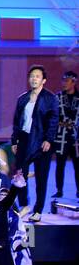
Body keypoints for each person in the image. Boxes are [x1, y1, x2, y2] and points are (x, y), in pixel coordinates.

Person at [11, 65, 59, 220]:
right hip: (24, 139)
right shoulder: (22, 98)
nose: (34, 79)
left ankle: (38, 210)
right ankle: (24, 205)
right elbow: (17, 122)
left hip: (41, 141)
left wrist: (48, 139)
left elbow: (53, 121)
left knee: (41, 177)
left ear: (43, 80)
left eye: (37, 76)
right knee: (20, 175)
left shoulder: (50, 98)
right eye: (32, 76)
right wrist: (14, 140)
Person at [54, 71, 79, 200]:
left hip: (76, 137)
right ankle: (59, 190)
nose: (64, 83)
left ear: (74, 82)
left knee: (78, 166)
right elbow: (53, 115)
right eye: (63, 80)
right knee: (60, 165)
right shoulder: (57, 97)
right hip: (62, 136)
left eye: (67, 81)